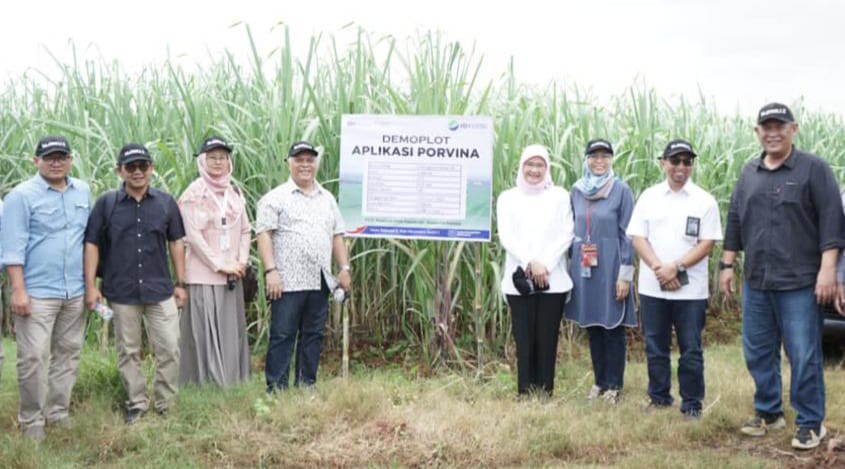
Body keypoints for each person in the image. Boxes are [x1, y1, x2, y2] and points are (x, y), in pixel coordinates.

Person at [720, 103, 845, 450]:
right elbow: (735, 218)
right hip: (758, 281)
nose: (773, 132)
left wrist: (829, 271)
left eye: (780, 126)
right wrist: (727, 264)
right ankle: (769, 411)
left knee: (804, 353)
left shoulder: (814, 169)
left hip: (801, 282)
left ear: (794, 129)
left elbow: (833, 221)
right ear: (757, 131)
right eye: (766, 127)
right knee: (758, 352)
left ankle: (809, 422)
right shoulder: (750, 172)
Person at [83, 143, 187, 424]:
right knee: (128, 351)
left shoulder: (166, 202)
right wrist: (91, 286)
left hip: (160, 289)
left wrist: (181, 283)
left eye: (143, 166)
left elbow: (176, 242)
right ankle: (137, 403)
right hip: (121, 291)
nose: (138, 172)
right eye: (131, 167)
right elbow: (91, 244)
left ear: (151, 168)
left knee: (170, 347)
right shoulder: (106, 204)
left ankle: (166, 402)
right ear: (120, 171)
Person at [0, 136, 91, 441]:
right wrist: (18, 290)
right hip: (37, 292)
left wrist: (91, 286)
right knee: (34, 358)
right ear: (35, 160)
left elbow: (87, 241)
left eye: (62, 156)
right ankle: (32, 422)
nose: (56, 162)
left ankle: (58, 413)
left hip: (74, 290)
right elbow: (12, 247)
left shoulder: (83, 190)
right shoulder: (21, 196)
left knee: (68, 354)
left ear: (71, 159)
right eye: (49, 157)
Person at [626, 139, 721, 420]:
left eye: (687, 161)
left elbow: (707, 243)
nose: (681, 167)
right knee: (656, 346)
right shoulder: (649, 197)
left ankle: (691, 404)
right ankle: (659, 398)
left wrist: (676, 267)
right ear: (663, 163)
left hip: (690, 291)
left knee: (690, 349)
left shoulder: (705, 200)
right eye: (675, 161)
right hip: (653, 287)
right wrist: (659, 268)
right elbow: (637, 237)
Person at [256, 141, 351, 393]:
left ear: (315, 164)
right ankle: (276, 389)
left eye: (310, 160)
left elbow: (337, 235)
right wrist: (270, 271)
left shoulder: (327, 198)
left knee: (313, 334)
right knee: (283, 335)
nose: (305, 165)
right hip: (286, 280)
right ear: (290, 163)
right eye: (299, 160)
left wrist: (344, 268)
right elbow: (263, 234)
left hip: (320, 280)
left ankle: (306, 384)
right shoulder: (275, 198)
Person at [497, 144, 574, 396]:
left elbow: (567, 233)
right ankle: (525, 390)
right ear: (521, 166)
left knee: (547, 336)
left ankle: (545, 390)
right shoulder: (508, 198)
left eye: (540, 165)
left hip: (554, 278)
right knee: (524, 337)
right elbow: (507, 236)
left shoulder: (560, 196)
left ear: (547, 168)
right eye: (530, 164)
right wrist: (531, 262)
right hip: (519, 278)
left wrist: (545, 265)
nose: (534, 170)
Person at [564, 139, 635, 404]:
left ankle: (614, 386)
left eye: (605, 156)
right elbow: (571, 227)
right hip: (585, 267)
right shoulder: (577, 191)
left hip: (612, 265)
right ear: (586, 160)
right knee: (593, 324)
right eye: (594, 156)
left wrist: (625, 275)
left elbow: (629, 234)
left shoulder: (621, 190)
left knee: (612, 325)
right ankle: (599, 382)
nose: (599, 161)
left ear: (611, 160)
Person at [177, 136, 251, 387]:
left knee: (230, 331)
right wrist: (220, 264)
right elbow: (194, 237)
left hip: (233, 275)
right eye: (212, 157)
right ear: (202, 161)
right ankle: (207, 385)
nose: (218, 162)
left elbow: (245, 230)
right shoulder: (193, 194)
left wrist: (240, 261)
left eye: (222, 157)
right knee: (206, 333)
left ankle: (232, 382)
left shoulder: (234, 193)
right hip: (204, 275)